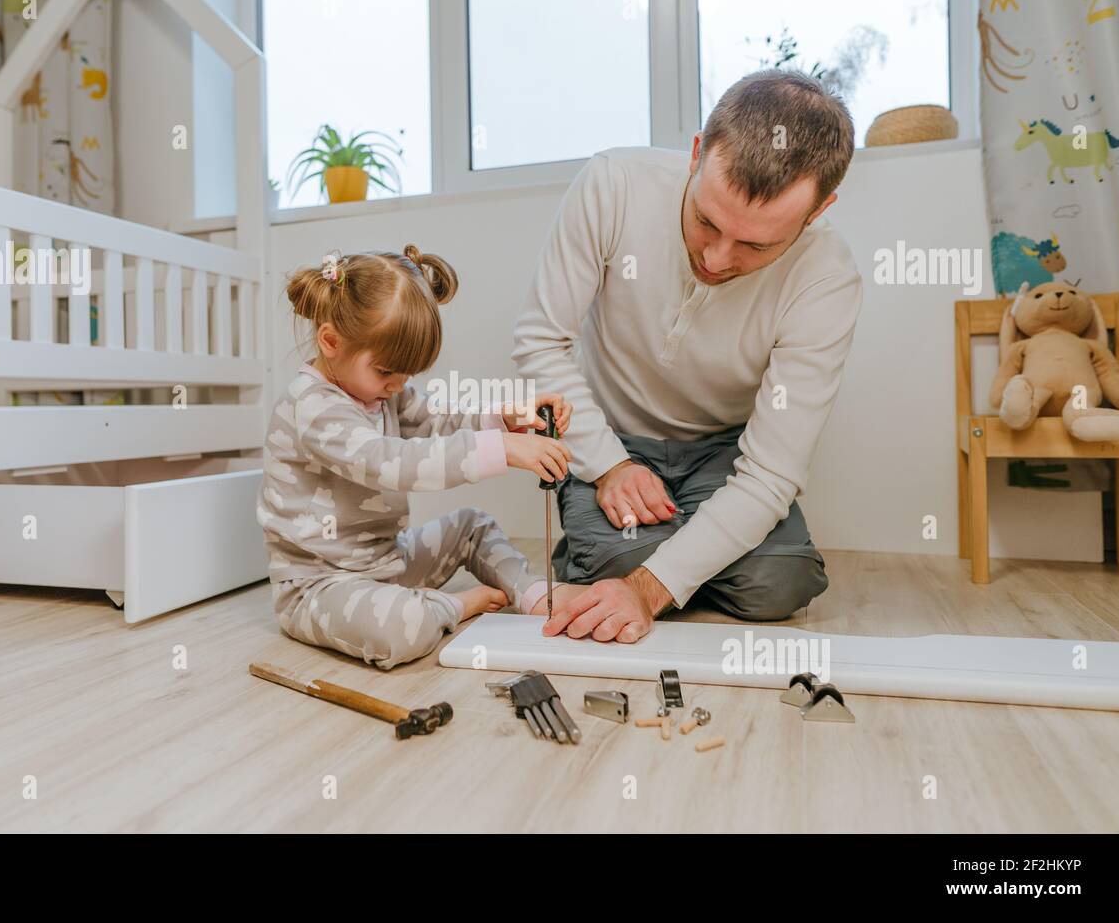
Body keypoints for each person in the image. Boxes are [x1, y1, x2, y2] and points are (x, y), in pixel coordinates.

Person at [512, 69, 862, 644]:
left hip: (721, 455)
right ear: (697, 154)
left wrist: (648, 588)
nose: (719, 258)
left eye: (756, 245)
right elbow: (540, 339)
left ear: (817, 212)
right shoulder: (613, 183)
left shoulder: (828, 280)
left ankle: (632, 555)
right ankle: (621, 545)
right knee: (619, 563)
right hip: (610, 434)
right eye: (707, 221)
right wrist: (607, 466)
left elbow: (770, 472)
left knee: (781, 583)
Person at [261, 245, 574, 669]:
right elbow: (389, 462)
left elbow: (435, 421)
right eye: (387, 372)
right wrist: (499, 451)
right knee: (399, 627)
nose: (398, 385)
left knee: (472, 526)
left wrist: (501, 420)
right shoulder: (313, 407)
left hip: (386, 561)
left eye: (408, 374)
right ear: (331, 341)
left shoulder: (383, 391)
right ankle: (448, 606)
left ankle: (533, 592)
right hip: (319, 586)